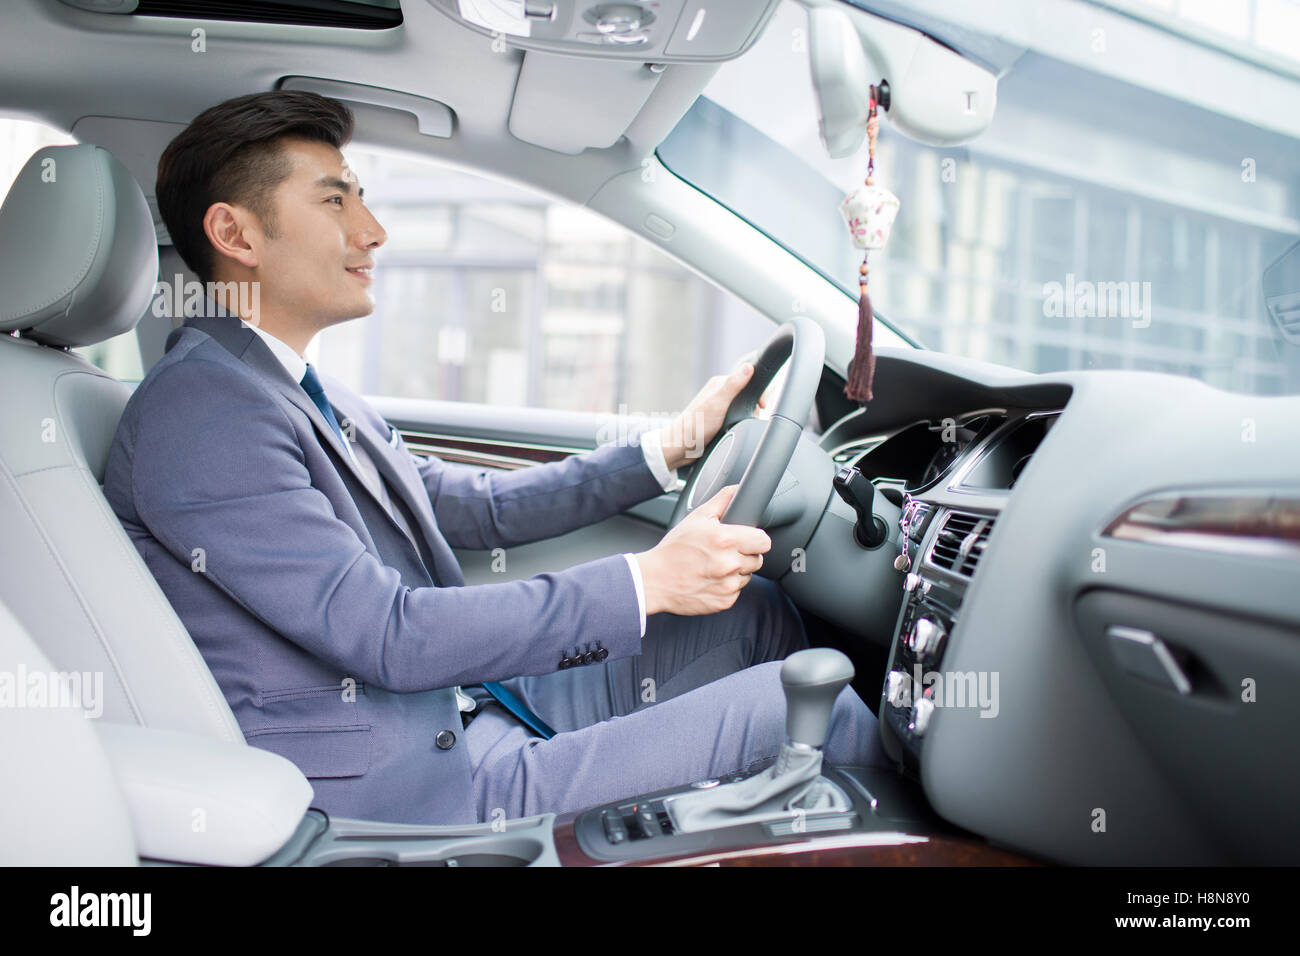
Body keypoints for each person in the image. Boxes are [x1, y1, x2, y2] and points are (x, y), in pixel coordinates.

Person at [104, 91, 890, 826]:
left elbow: (474, 506)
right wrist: (649, 580)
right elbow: (386, 633)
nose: (372, 230)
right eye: (335, 199)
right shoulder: (204, 415)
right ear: (235, 235)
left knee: (750, 618)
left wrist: (671, 446)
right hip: (407, 783)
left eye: (362, 196)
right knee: (807, 709)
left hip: (457, 706)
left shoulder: (291, 384)